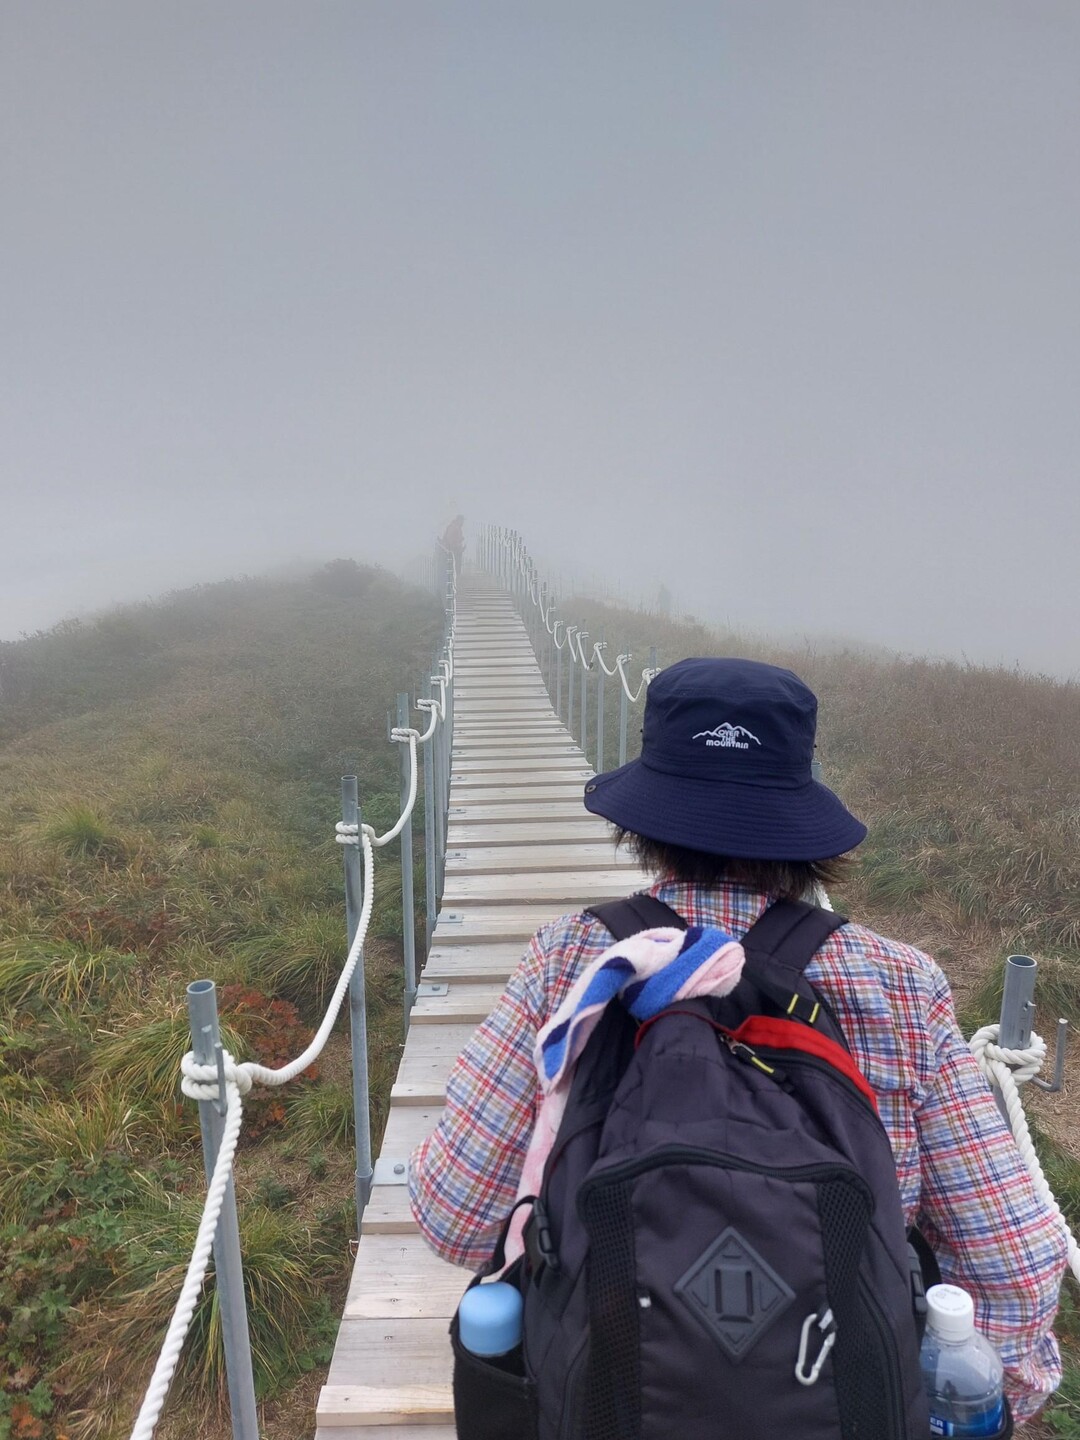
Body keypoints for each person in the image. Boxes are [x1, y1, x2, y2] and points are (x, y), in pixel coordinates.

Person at [410, 656, 1066, 1423]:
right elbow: (1017, 1269)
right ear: (801, 820)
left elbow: (455, 1214)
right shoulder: (899, 983)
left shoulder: (574, 960)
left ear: (644, 817)